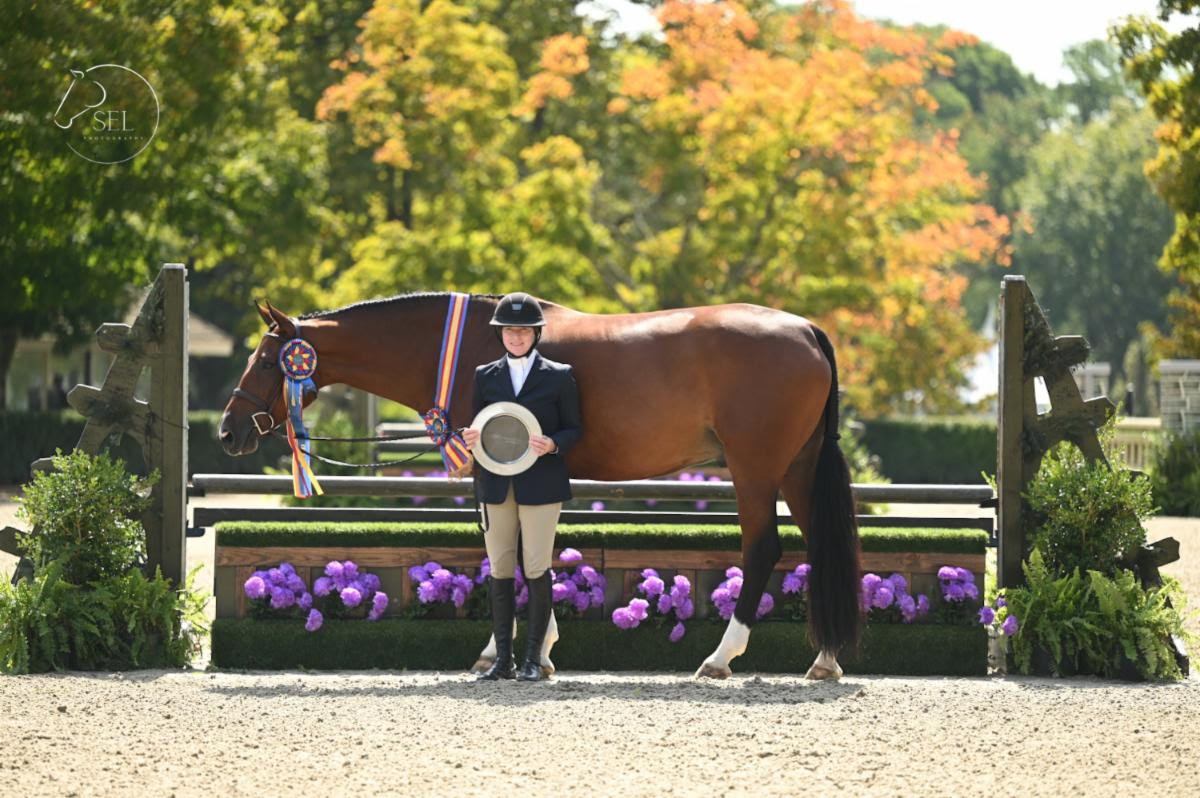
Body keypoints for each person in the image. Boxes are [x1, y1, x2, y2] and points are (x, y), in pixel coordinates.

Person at [462, 292, 582, 682]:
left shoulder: (559, 375)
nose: (516, 337)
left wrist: (554, 443)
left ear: (536, 334)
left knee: (536, 568)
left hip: (541, 484)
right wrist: (470, 438)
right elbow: (478, 425)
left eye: (524, 331)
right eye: (509, 331)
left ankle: (534, 658)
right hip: (496, 484)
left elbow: (574, 428)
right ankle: (503, 660)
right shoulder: (485, 376)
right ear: (501, 334)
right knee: (500, 569)